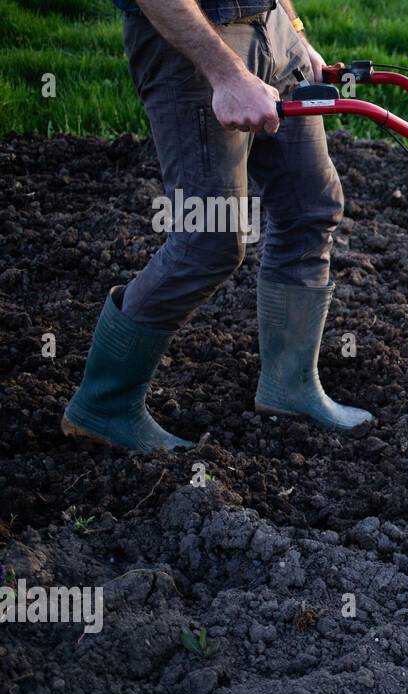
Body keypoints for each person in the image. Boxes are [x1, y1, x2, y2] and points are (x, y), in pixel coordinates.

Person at [62, 0, 373, 451]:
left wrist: (295, 31)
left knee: (311, 208)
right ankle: (103, 406)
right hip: (195, 40)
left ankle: (290, 387)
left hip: (272, 29)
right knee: (209, 237)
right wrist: (226, 75)